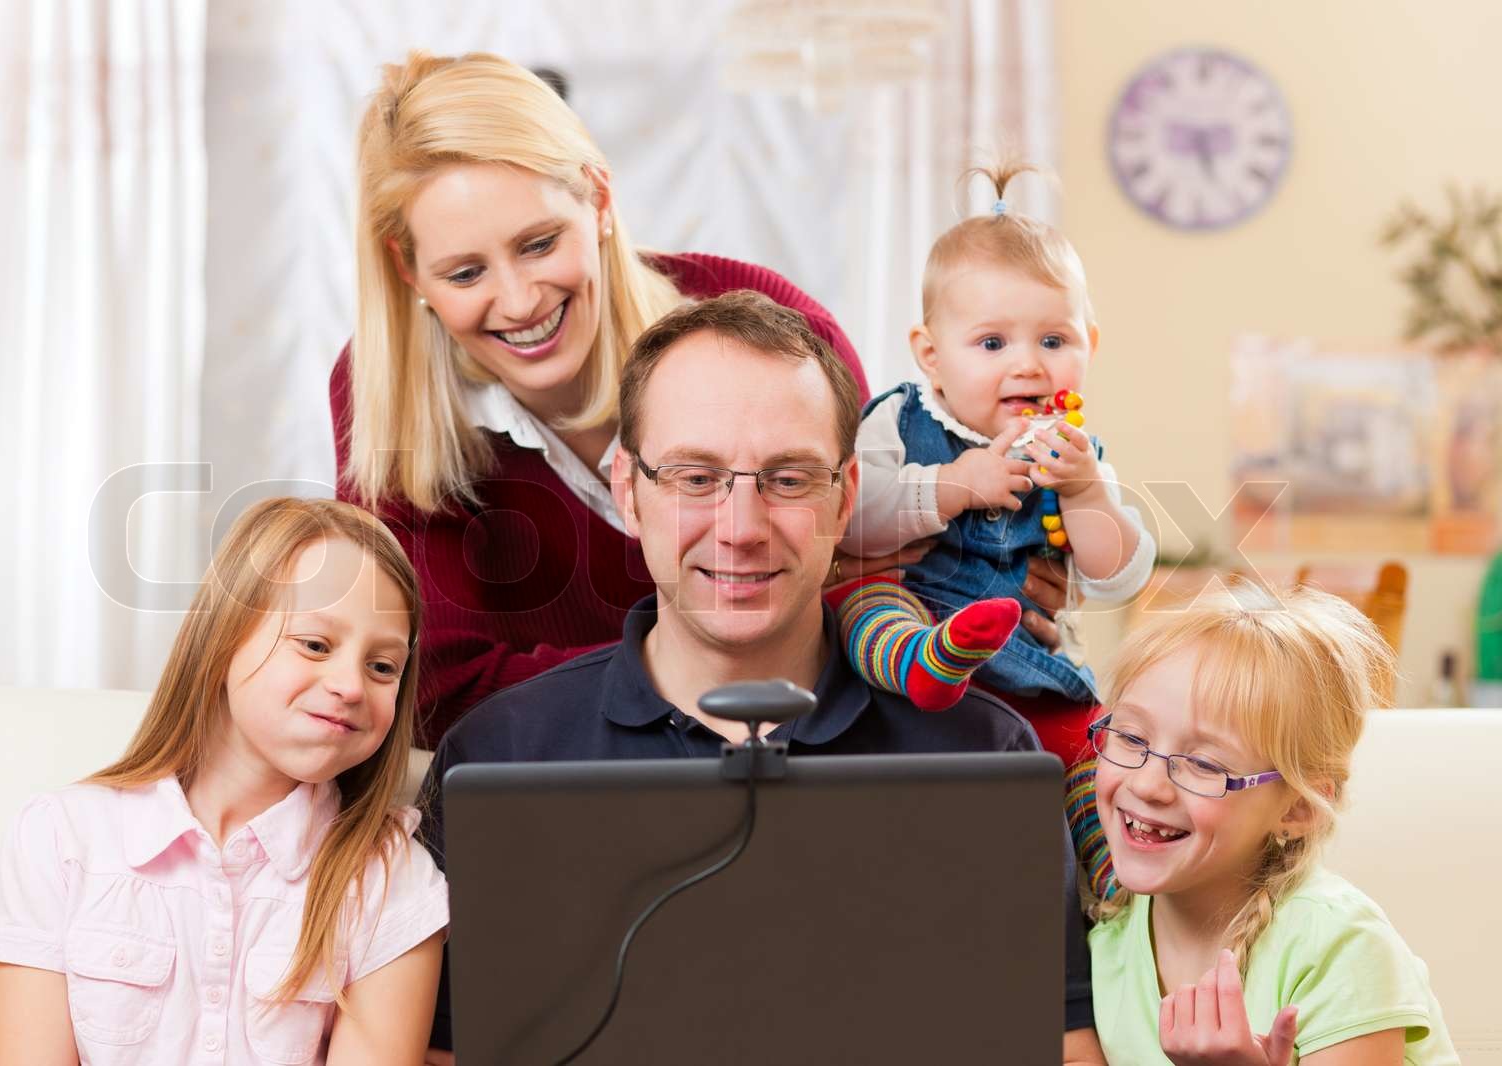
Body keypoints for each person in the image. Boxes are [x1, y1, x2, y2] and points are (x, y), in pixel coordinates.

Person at [420, 291, 1104, 1061]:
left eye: (787, 479)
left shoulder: (985, 758)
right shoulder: (498, 757)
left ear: (846, 499)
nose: (740, 530)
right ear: (627, 489)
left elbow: (1061, 1048)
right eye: (693, 476)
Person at [331, 51, 1074, 749]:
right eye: (465, 273)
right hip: (568, 774)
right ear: (408, 268)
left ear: (598, 198)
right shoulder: (388, 399)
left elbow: (876, 564)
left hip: (819, 744)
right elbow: (432, 684)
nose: (520, 301)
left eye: (538, 244)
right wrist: (689, 669)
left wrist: (1008, 559)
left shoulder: (769, 327)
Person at [0, 498, 449, 1065]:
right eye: (315, 645)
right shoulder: (60, 837)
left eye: (382, 666)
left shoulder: (391, 877)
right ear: (221, 640)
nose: (350, 684)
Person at [835, 163, 1154, 767]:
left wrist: (1086, 494)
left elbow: (1121, 578)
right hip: (907, 645)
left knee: (1095, 755)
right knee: (865, 604)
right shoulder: (900, 423)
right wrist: (953, 484)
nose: (1029, 365)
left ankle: (1105, 850)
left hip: (1024, 662)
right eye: (992, 343)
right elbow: (848, 522)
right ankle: (927, 659)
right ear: (930, 355)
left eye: (1054, 341)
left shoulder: (1074, 455)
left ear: (1091, 344)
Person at [1086, 579, 1458, 1064]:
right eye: (1132, 739)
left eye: (1205, 765)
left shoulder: (1341, 946)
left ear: (1297, 810)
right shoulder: (1105, 944)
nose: (1149, 785)